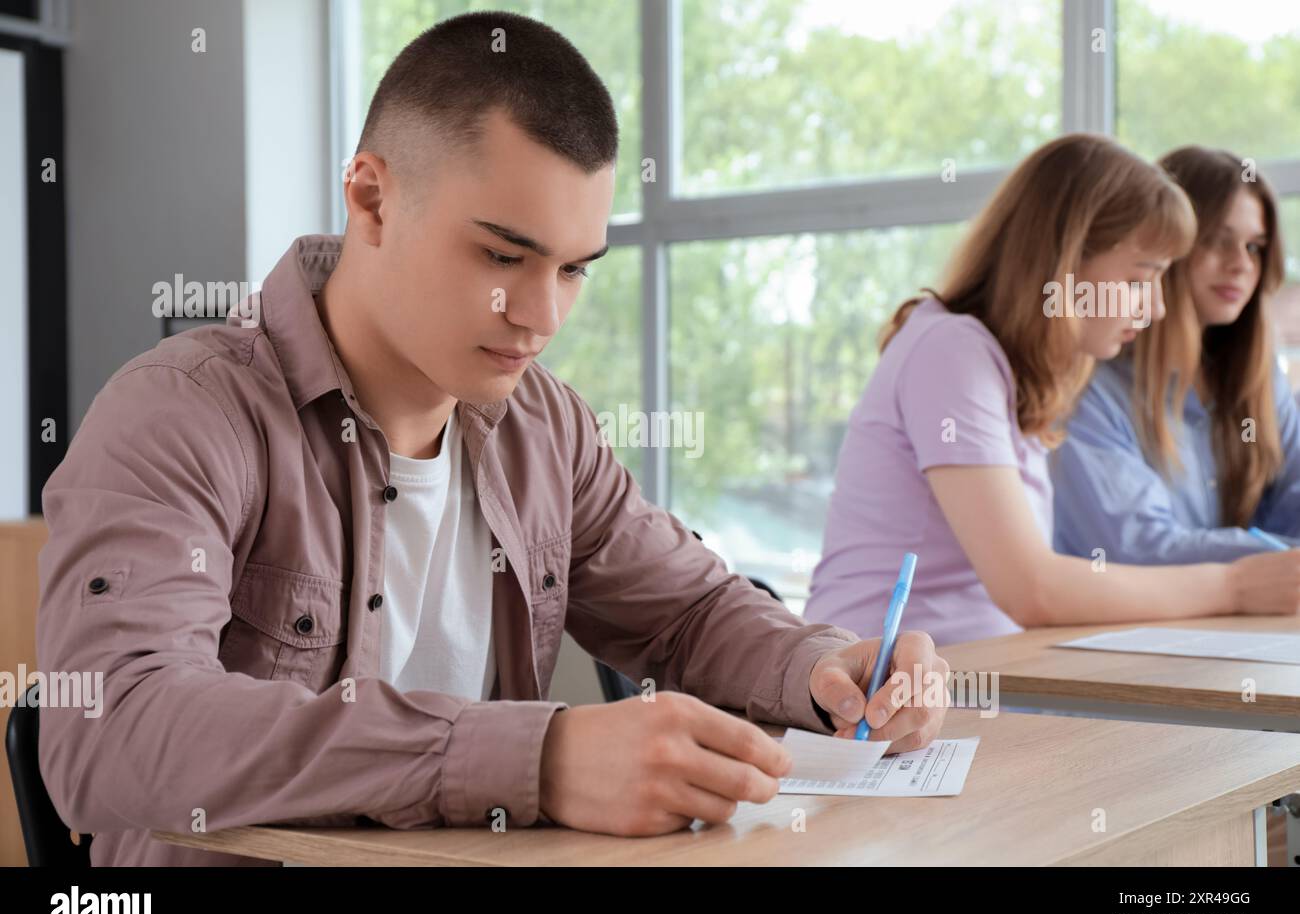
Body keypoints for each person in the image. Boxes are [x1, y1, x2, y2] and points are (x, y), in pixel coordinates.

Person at [36, 12, 948, 866]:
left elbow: (688, 611)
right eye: (503, 257)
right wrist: (536, 759)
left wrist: (823, 666)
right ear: (372, 198)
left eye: (574, 269)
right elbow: (108, 726)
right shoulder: (179, 414)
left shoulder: (545, 426)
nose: (542, 315)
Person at [805, 134, 1300, 646]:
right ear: (1065, 265)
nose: (1155, 309)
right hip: (872, 694)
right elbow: (1033, 589)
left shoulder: (1023, 373)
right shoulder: (951, 350)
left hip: (976, 678)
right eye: (1139, 279)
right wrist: (1235, 585)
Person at [1054, 147, 1300, 561]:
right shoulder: (1091, 387)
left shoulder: (1261, 380)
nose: (1241, 265)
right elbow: (1140, 549)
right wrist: (1276, 558)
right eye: (1218, 241)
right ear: (1164, 247)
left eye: (1254, 247)